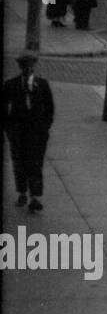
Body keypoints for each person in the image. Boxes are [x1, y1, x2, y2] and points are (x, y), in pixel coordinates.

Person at [3, 51, 55, 213]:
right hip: (18, 131)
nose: (28, 69)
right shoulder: (11, 85)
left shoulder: (42, 85)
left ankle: (35, 196)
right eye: (25, 66)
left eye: (31, 66)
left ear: (34, 67)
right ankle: (22, 192)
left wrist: (44, 127)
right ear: (20, 67)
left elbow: (49, 108)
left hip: (37, 132)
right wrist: (9, 129)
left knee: (35, 162)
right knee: (19, 162)